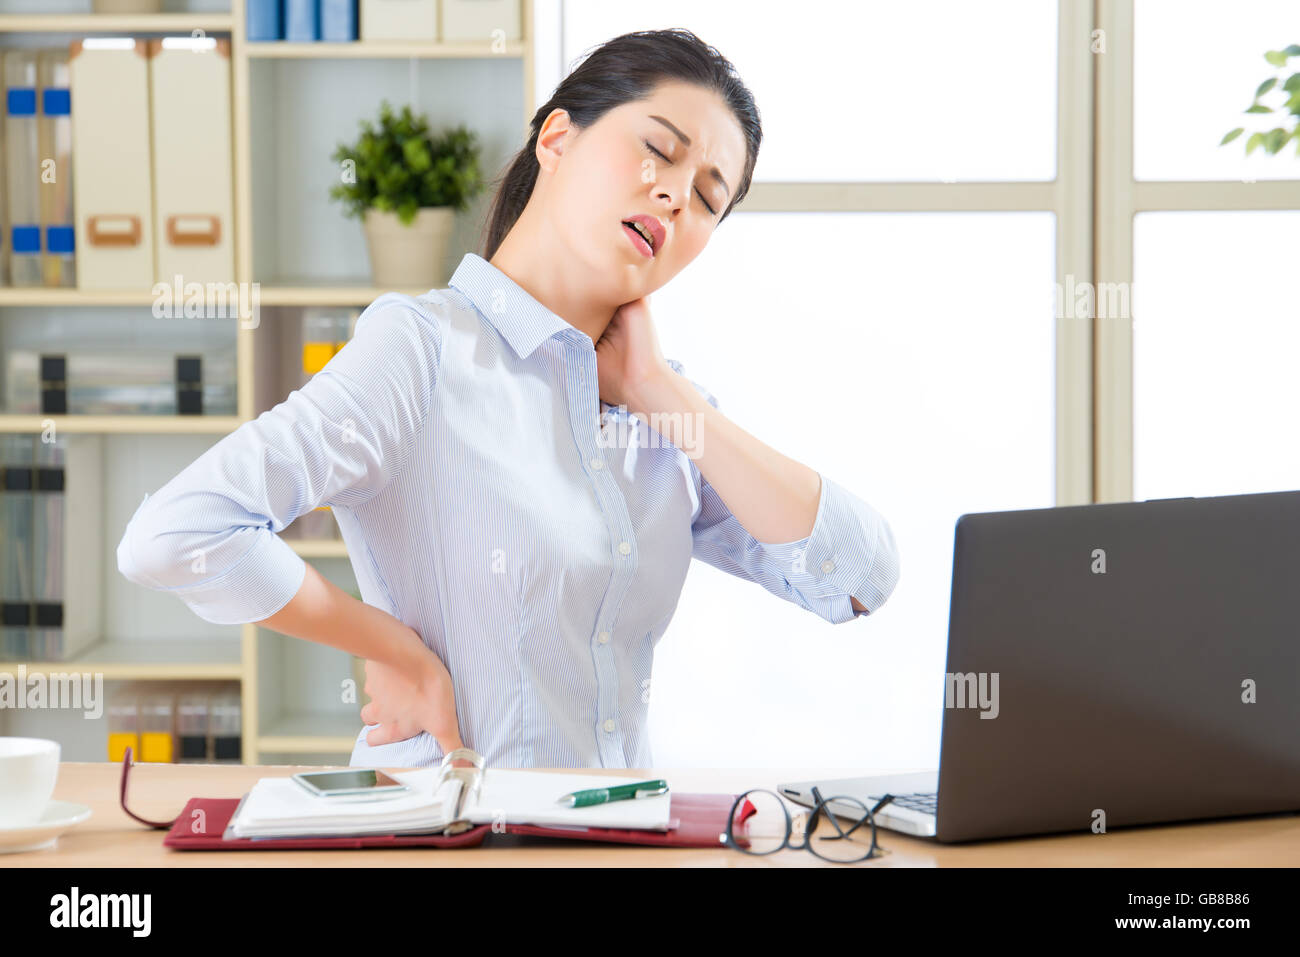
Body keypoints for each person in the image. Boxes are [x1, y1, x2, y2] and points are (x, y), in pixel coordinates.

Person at [116, 28, 900, 770]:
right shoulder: (421, 349)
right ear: (557, 139)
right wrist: (393, 648)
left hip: (624, 839)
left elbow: (860, 578)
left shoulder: (669, 413)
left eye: (706, 197)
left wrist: (660, 391)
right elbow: (176, 533)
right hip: (456, 832)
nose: (673, 196)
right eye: (658, 150)